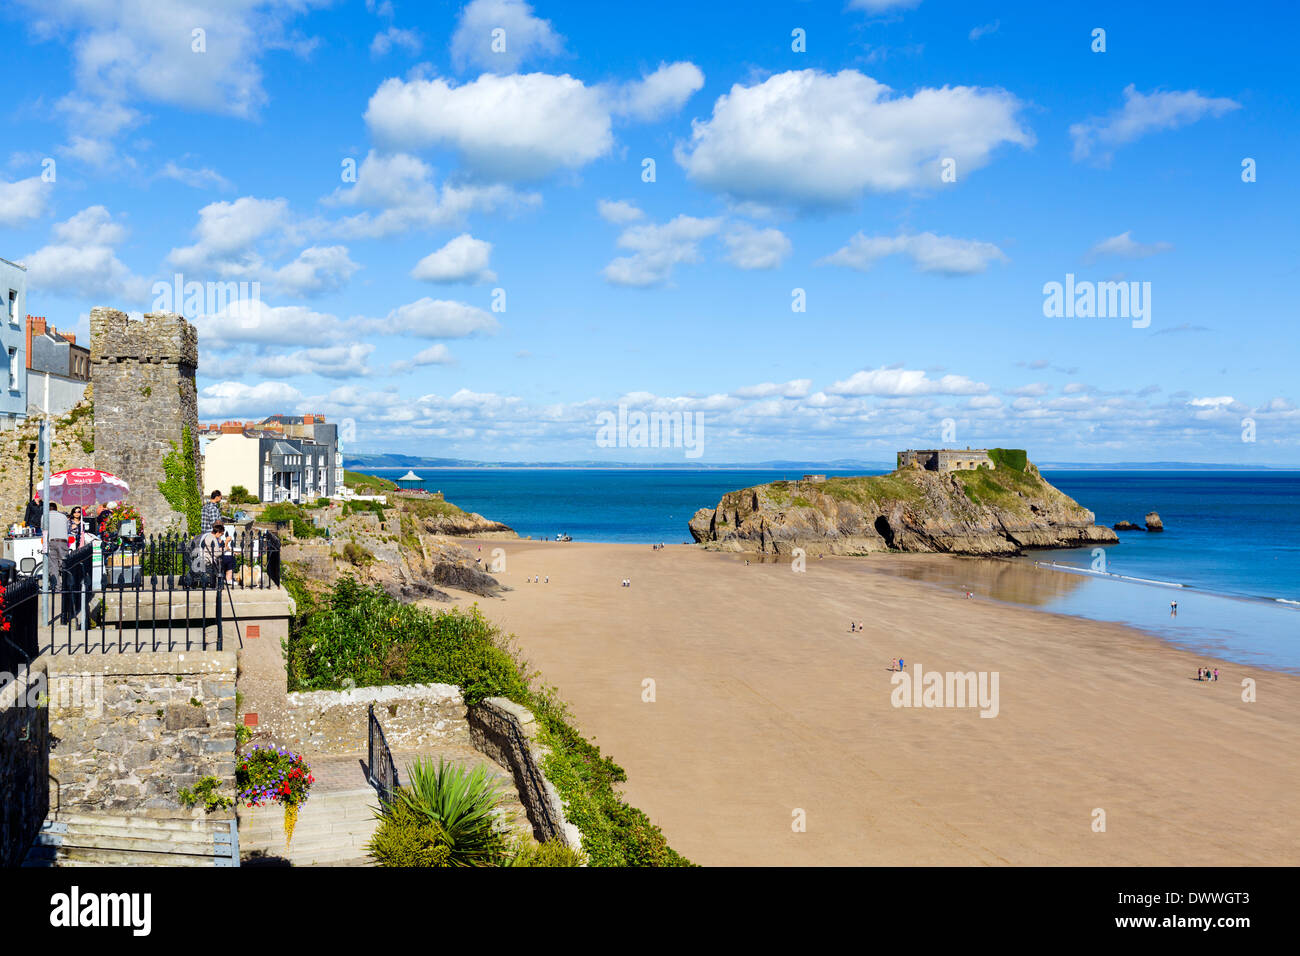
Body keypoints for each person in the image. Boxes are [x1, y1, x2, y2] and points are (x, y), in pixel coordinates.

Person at [44, 503, 69, 593]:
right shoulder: (63, 517)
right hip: (63, 542)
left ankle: (57, 588)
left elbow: (43, 530)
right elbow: (67, 528)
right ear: (56, 508)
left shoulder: (44, 516)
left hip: (51, 541)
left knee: (53, 565)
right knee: (65, 565)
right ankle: (67, 585)